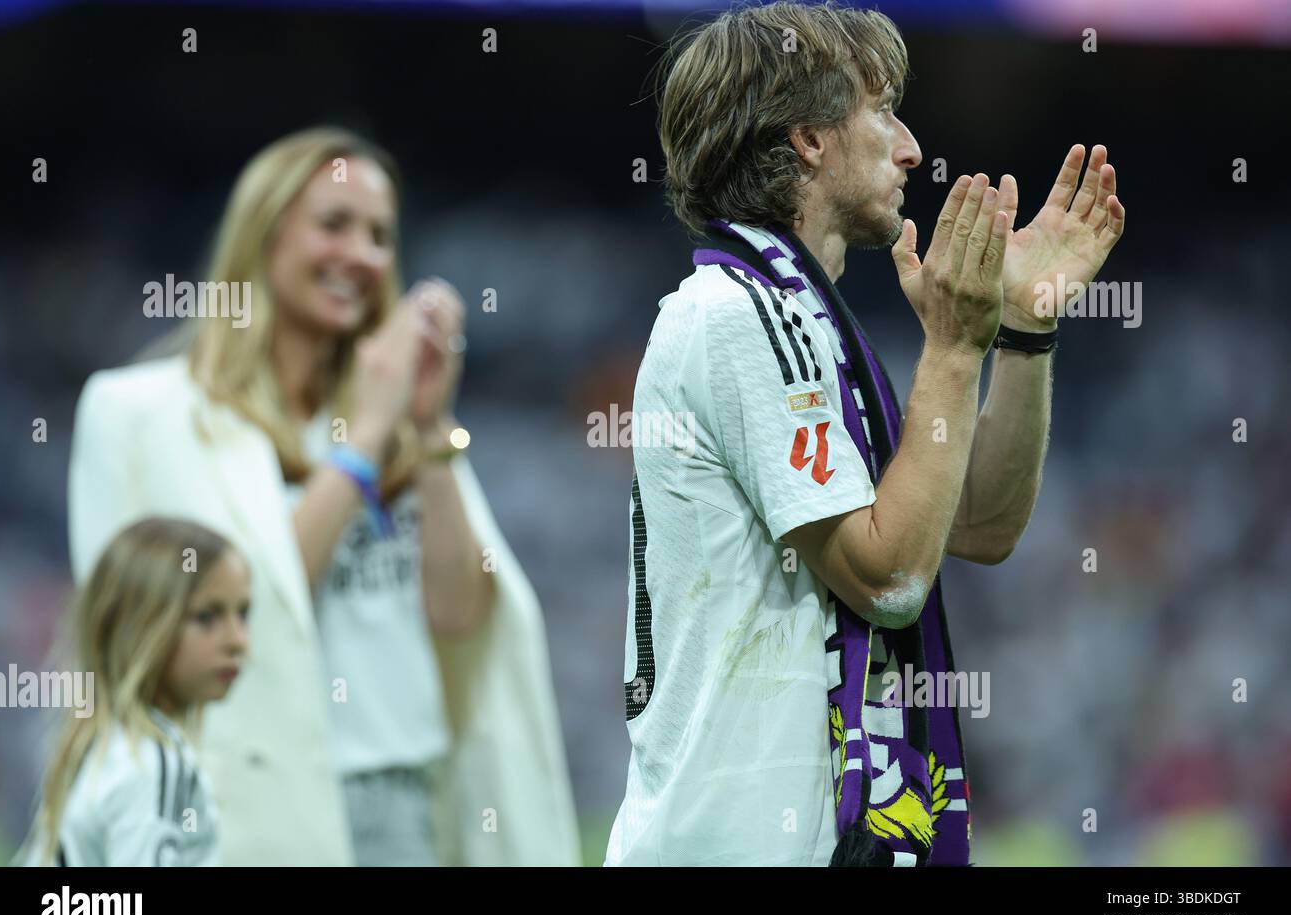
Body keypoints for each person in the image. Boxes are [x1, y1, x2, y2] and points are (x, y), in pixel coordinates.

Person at [606, 1, 1124, 866]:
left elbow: (977, 528)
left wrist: (1023, 330)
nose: (912, 146)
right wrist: (954, 350)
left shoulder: (813, 332)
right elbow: (889, 580)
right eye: (881, 111)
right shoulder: (735, 315)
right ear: (808, 138)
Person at [69, 127, 580, 866]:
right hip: (255, 802)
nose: (363, 256)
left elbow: (462, 613)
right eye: (334, 224)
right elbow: (252, 605)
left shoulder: (400, 416)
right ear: (263, 236)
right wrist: (364, 441)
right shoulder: (155, 417)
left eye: (380, 236)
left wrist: (432, 427)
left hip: (409, 791)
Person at [19, 518, 248, 867]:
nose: (237, 640)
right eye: (207, 617)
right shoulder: (153, 763)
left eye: (243, 613)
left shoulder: (100, 750)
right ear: (140, 626)